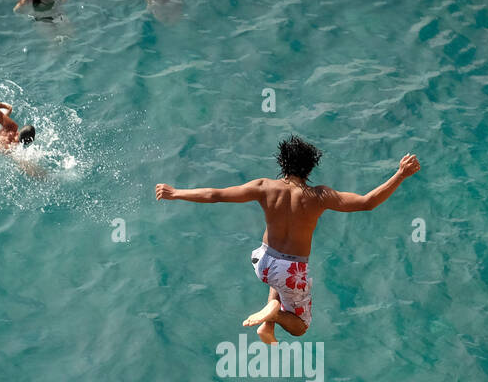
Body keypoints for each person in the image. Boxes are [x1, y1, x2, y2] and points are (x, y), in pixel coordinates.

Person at [154, 137, 420, 344]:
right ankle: (276, 315)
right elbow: (367, 203)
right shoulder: (319, 195)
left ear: (283, 163)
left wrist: (175, 193)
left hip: (262, 261)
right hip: (290, 270)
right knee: (301, 328)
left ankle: (268, 323)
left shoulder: (264, 186)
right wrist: (400, 175)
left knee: (278, 276)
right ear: (310, 167)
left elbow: (215, 195)